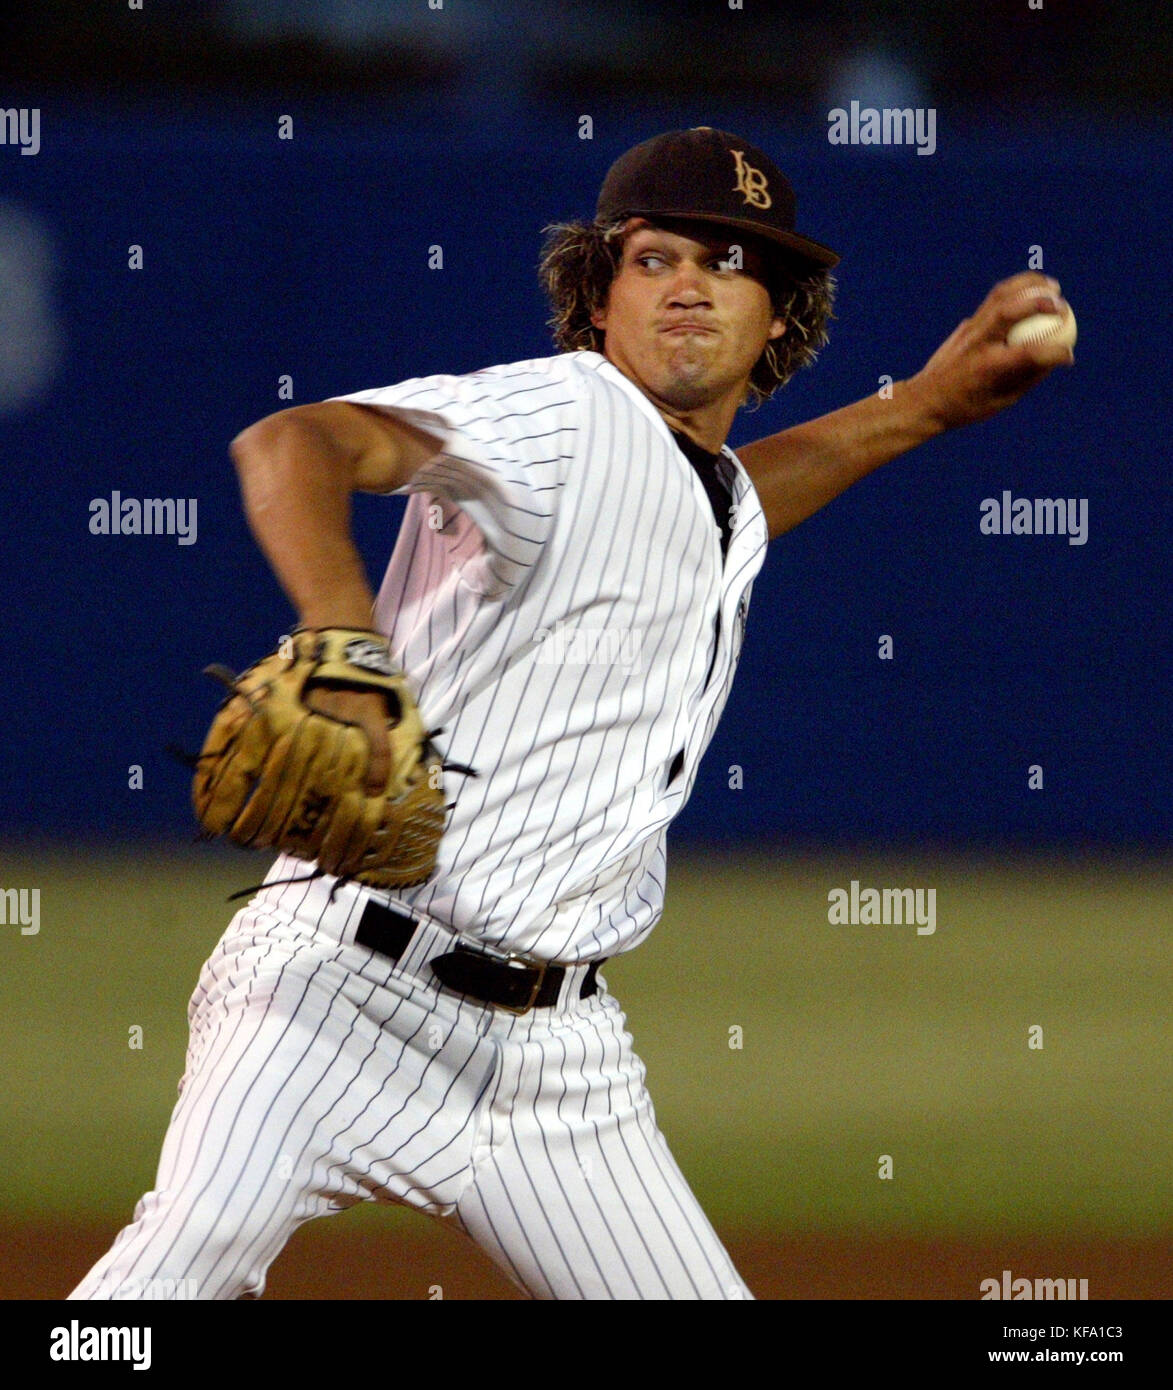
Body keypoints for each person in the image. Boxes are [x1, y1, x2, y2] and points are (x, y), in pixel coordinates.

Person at [70, 126, 1072, 1301]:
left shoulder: (694, 483)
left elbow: (728, 506)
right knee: (161, 1287)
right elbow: (295, 439)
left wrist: (927, 408)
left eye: (732, 262)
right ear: (599, 295)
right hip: (332, 999)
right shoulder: (560, 416)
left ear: (779, 317)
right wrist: (341, 633)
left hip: (555, 1056)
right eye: (655, 259)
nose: (692, 282)